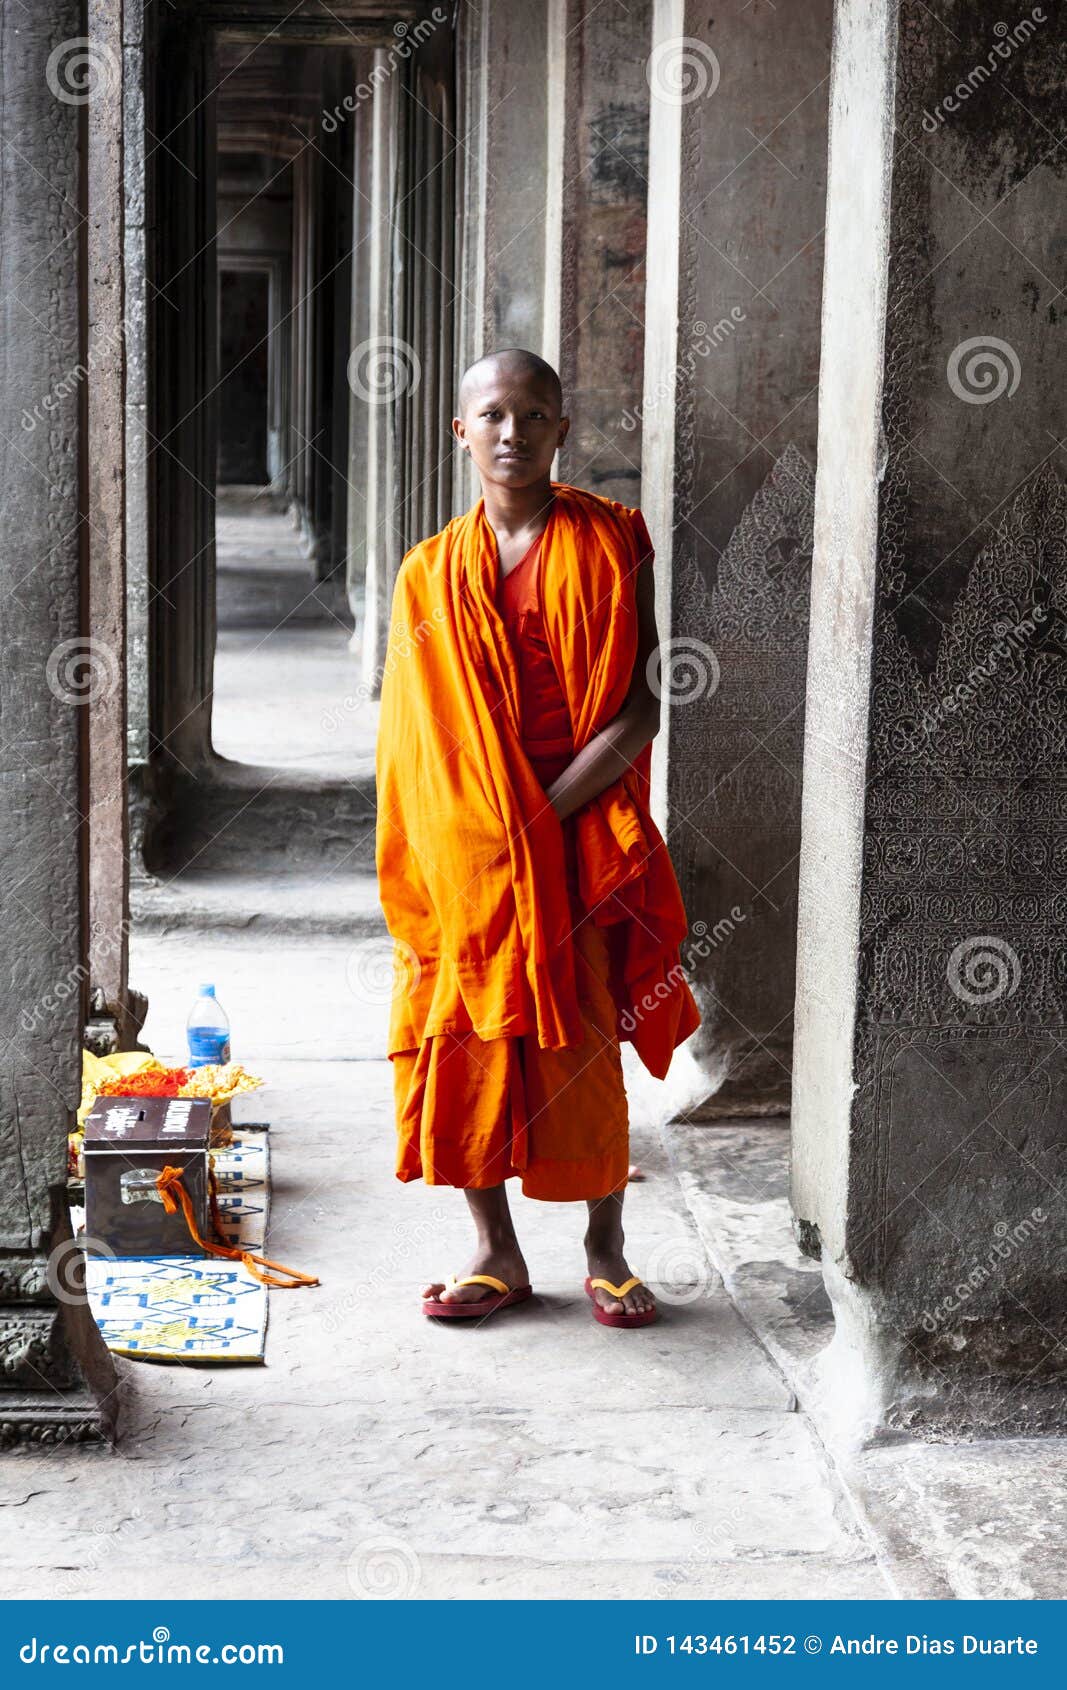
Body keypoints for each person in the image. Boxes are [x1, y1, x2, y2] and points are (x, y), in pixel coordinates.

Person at [375, 348, 699, 1328]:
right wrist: (477, 833)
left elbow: (640, 707)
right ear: (461, 431)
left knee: (582, 1038)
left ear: (561, 430)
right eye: (493, 414)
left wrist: (539, 815)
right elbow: (414, 737)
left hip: (578, 823)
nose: (511, 431)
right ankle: (494, 1250)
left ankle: (605, 1247)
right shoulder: (428, 573)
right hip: (466, 844)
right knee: (468, 1034)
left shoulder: (610, 541)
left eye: (533, 414)